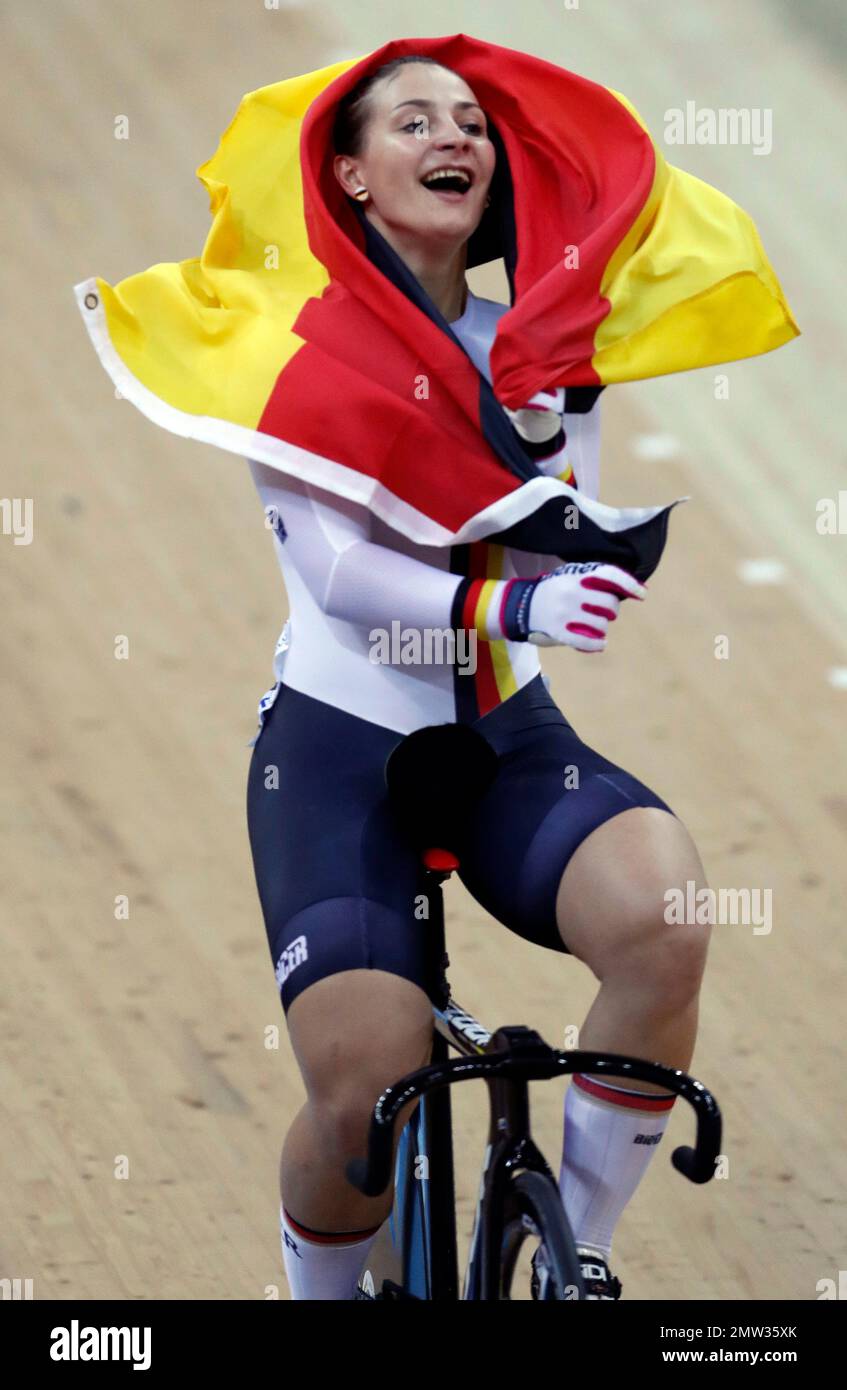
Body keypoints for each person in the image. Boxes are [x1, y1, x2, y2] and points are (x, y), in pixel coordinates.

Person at [245, 54, 711, 1301]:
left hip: (505, 733)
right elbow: (341, 570)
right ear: (350, 173)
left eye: (470, 123)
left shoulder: (535, 340)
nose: (454, 136)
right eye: (414, 120)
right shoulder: (293, 352)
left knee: (664, 920)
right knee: (363, 1101)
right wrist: (511, 599)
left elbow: (564, 521)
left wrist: (568, 493)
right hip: (341, 755)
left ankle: (581, 1261)